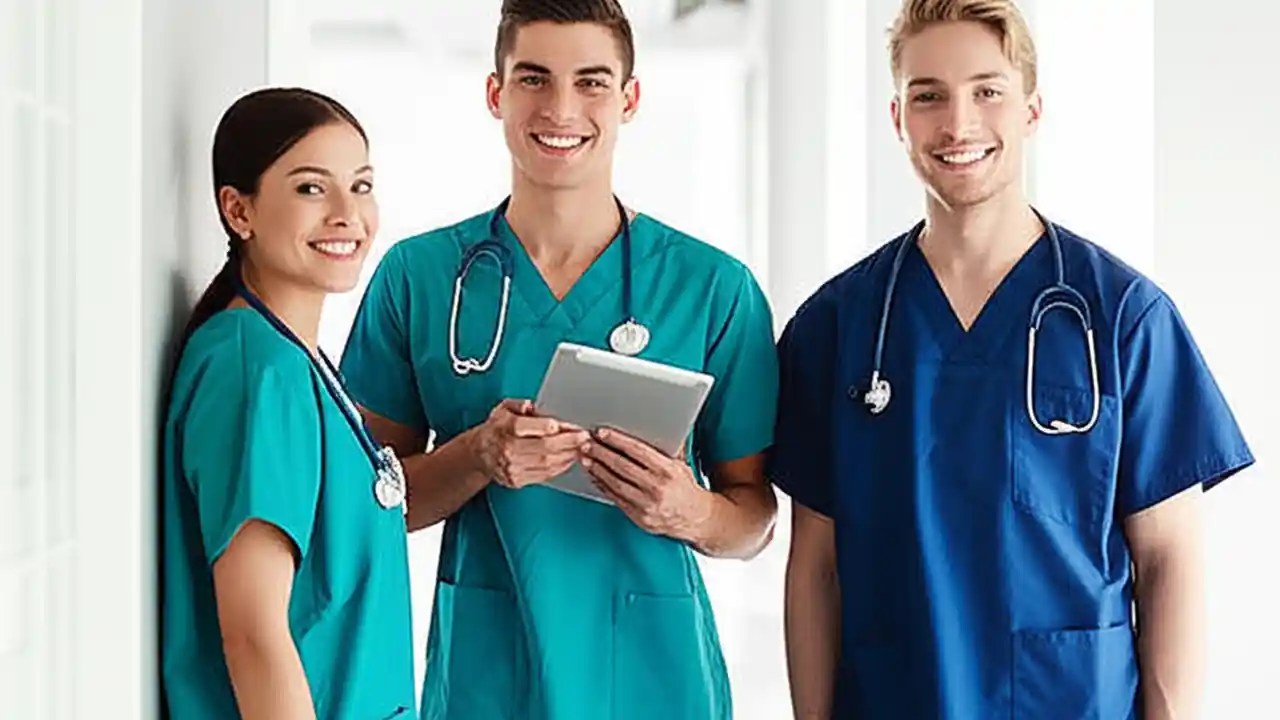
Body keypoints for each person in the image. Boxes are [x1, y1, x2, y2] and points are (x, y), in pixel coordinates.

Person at [770, 1, 1255, 718]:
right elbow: (814, 570)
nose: (957, 124)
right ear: (898, 119)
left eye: (986, 91)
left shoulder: (1122, 318)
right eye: (927, 95)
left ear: (1031, 110)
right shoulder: (839, 326)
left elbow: (1169, 562)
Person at [338, 1, 779, 718]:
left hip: (656, 677)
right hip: (487, 671)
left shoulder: (710, 287)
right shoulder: (419, 278)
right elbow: (370, 508)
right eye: (534, 79)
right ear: (496, 93)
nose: (562, 108)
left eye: (593, 82)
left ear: (629, 98)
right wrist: (478, 455)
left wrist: (688, 510)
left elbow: (754, 515)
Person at [161, 87, 416, 719]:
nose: (346, 215)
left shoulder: (294, 362)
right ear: (238, 210)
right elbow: (252, 632)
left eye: (360, 186)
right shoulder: (260, 375)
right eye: (310, 188)